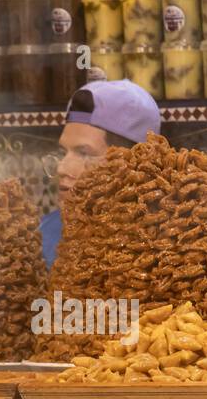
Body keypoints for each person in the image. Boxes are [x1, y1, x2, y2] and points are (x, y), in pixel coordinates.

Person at [40, 79, 162, 268]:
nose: (62, 168)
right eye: (64, 152)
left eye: (83, 153)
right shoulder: (41, 236)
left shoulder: (165, 245)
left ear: (135, 164)